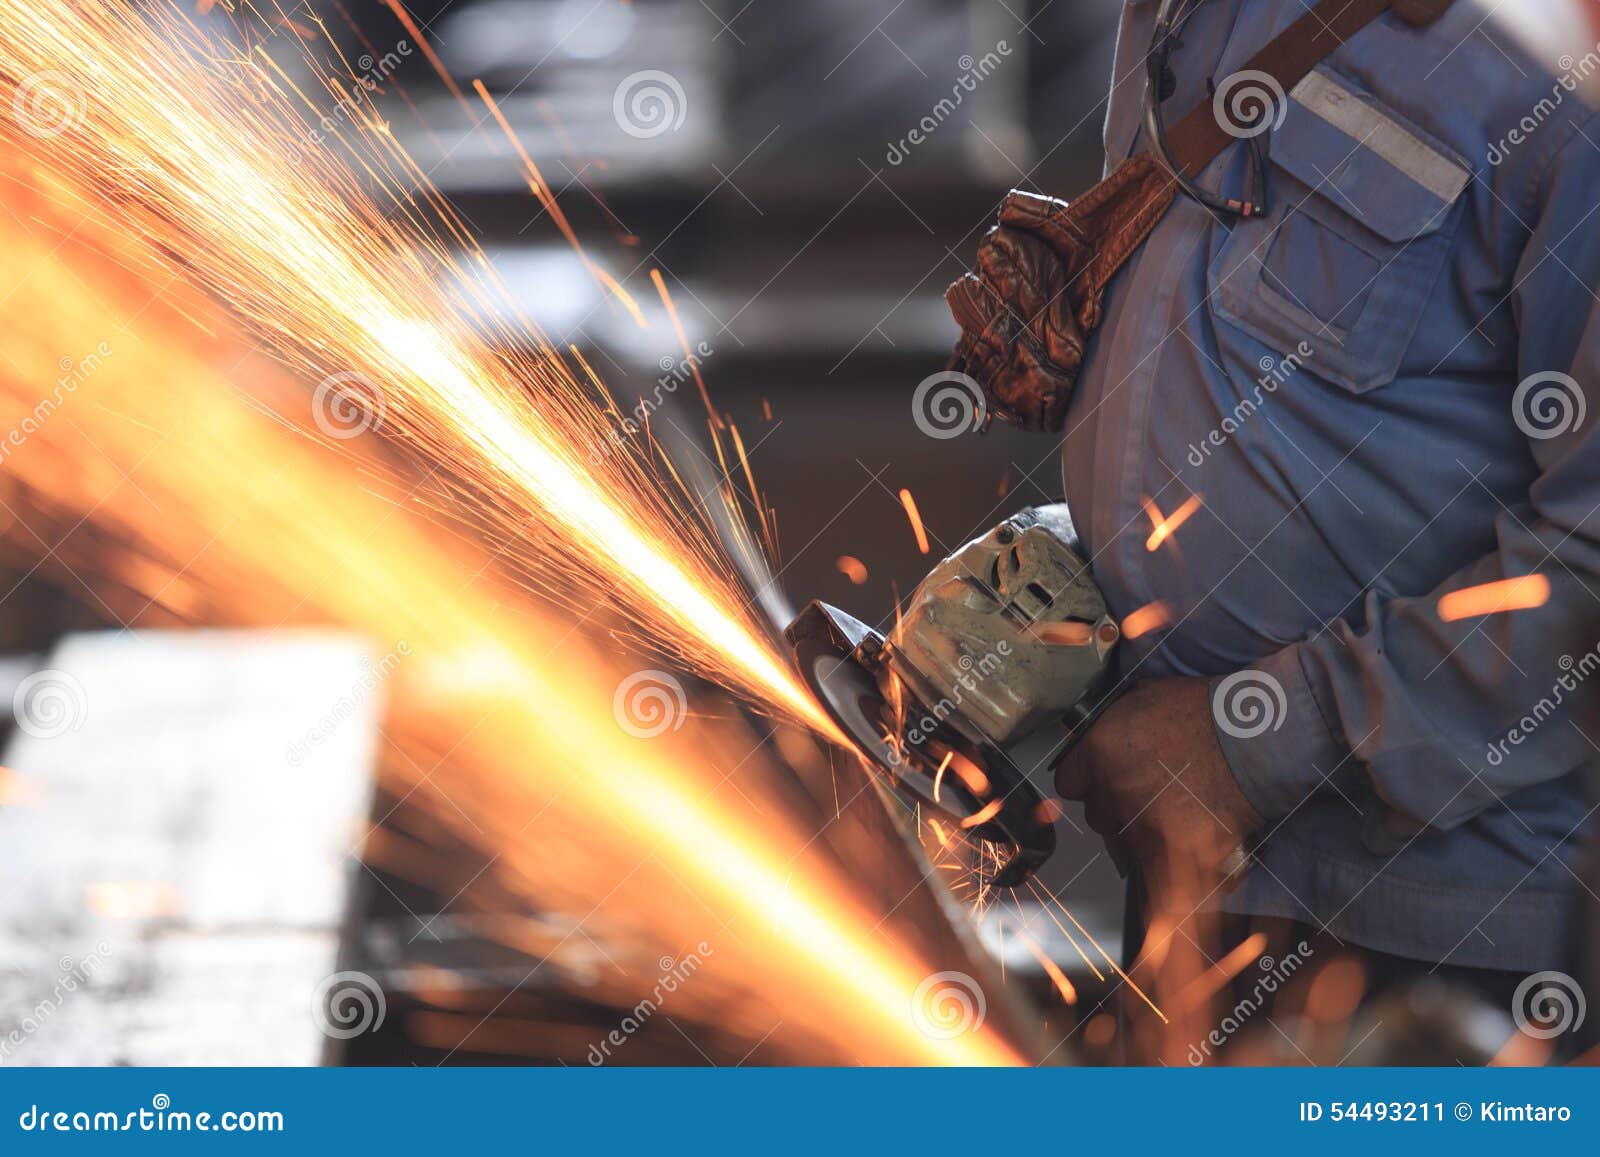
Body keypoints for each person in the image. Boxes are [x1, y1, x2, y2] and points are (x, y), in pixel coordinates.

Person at [956, 0, 1600, 991]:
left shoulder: (1554, 65)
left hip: (1435, 940)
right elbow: (1267, 399)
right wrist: (1063, 571)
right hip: (1193, 878)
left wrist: (1249, 737)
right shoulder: (1181, 15)